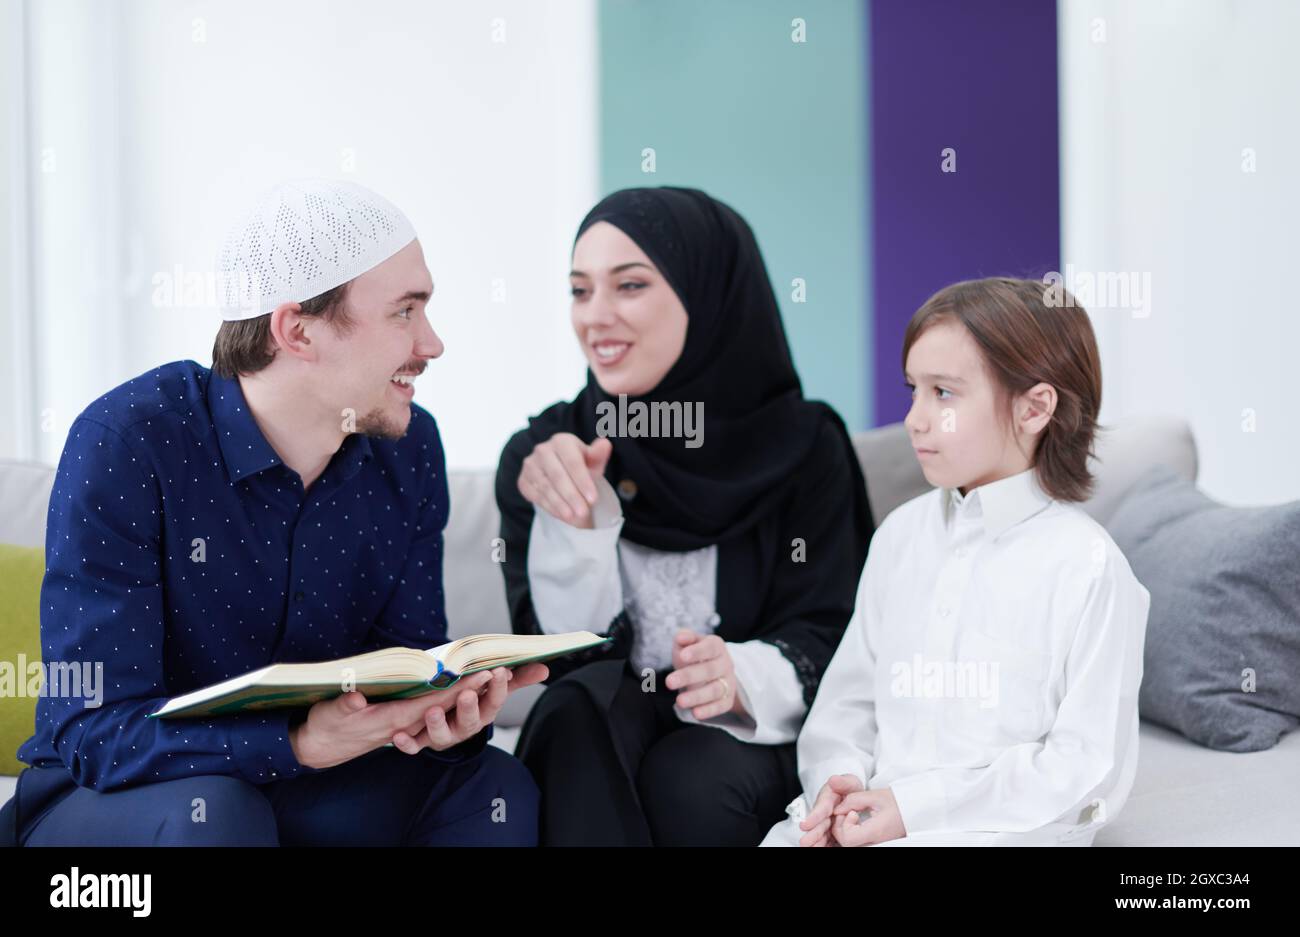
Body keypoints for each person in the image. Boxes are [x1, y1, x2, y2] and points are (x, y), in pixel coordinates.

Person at [5, 179, 545, 846]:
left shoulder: (408, 451)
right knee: (221, 814)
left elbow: (405, 664)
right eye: (405, 312)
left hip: (306, 789)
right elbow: (92, 732)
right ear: (297, 330)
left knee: (489, 787)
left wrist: (440, 716)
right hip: (115, 799)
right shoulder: (128, 442)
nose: (431, 344)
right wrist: (295, 741)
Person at [495, 186, 874, 845]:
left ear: (709, 294)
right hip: (603, 724)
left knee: (693, 774)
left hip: (753, 737)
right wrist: (576, 525)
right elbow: (556, 664)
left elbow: (837, 630)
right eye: (580, 290)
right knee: (576, 709)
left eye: (630, 285)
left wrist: (742, 677)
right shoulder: (548, 457)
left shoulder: (807, 448)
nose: (596, 317)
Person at [763, 277, 1150, 847]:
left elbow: (1087, 769)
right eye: (913, 389)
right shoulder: (900, 536)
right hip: (866, 823)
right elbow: (849, 702)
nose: (915, 418)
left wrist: (915, 809)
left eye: (943, 392)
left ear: (1035, 407)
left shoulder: (1089, 568)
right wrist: (839, 782)